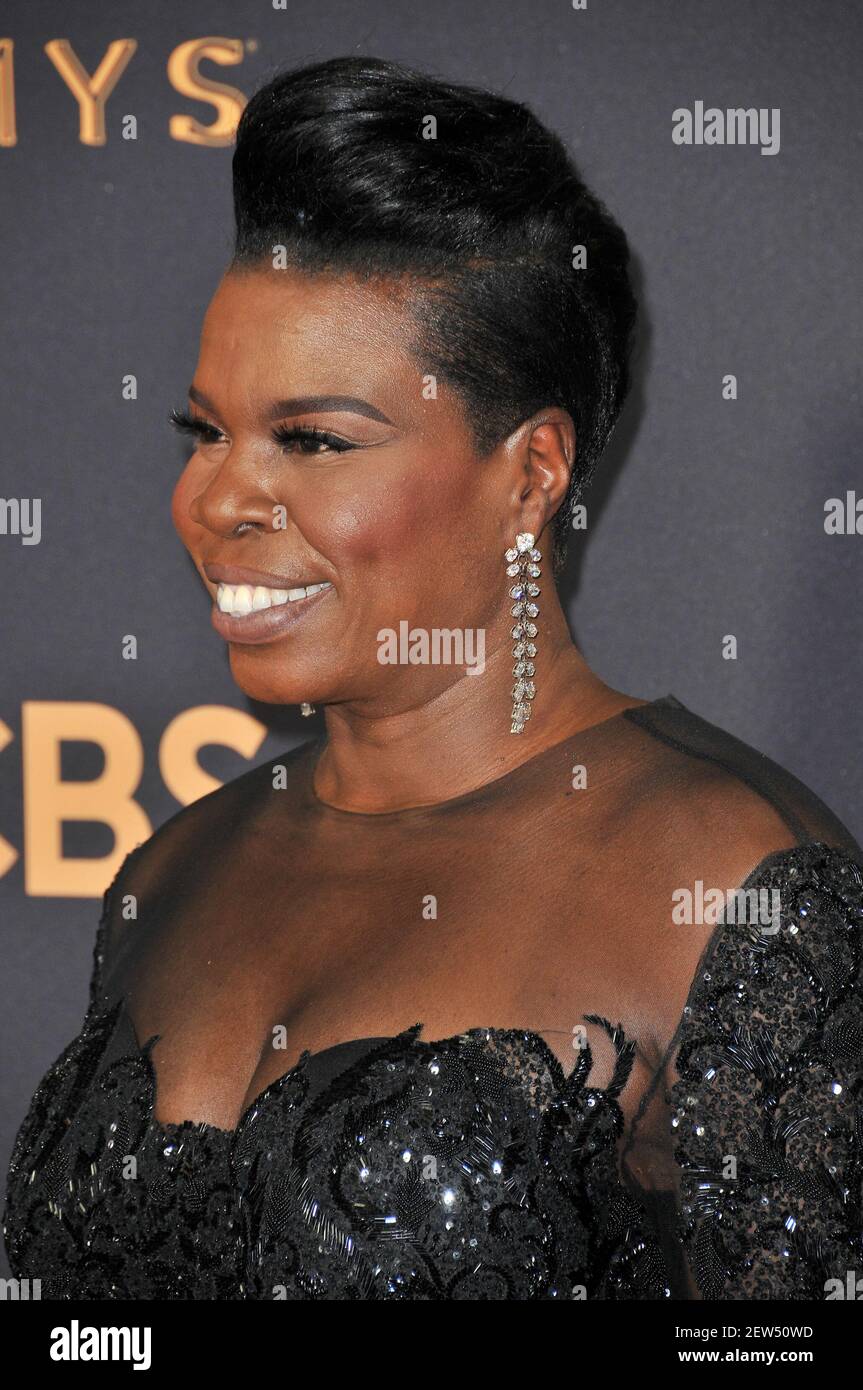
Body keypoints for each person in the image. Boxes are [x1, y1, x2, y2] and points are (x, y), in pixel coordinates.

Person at [4, 54, 862, 1301]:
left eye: (313, 439)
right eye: (205, 430)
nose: (216, 499)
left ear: (529, 476)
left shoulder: (733, 887)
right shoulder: (169, 870)